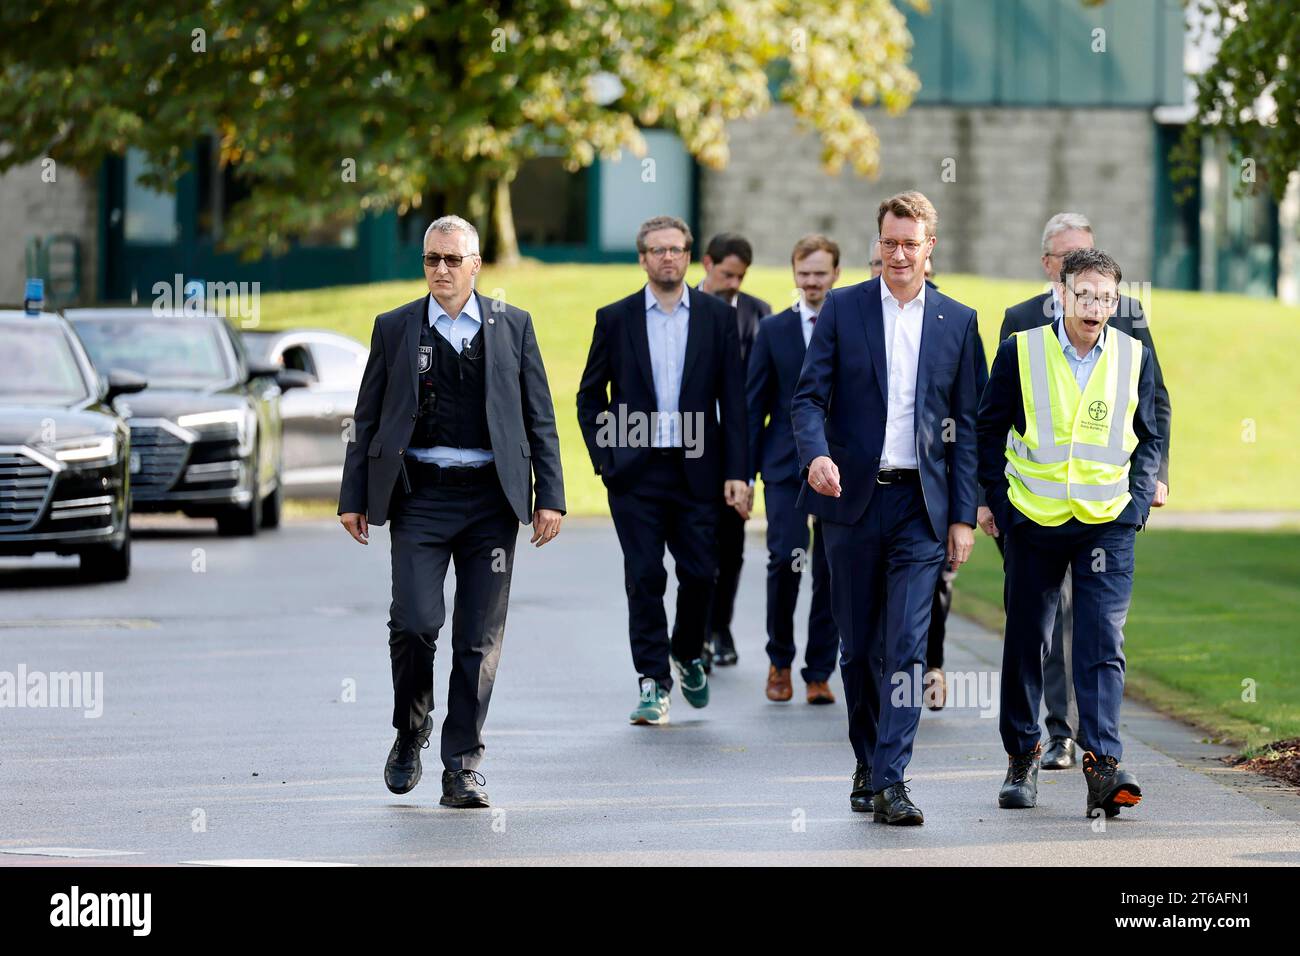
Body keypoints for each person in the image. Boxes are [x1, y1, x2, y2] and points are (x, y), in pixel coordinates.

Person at [338, 215, 566, 809]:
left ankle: (461, 765)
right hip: (421, 496)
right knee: (414, 622)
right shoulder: (395, 329)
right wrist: (353, 495)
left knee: (478, 639)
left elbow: (539, 416)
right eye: (432, 260)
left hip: (492, 499)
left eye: (452, 260)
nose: (441, 269)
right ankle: (410, 730)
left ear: (476, 265)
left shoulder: (513, 327)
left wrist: (553, 496)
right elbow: (366, 419)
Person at [791, 191, 980, 825]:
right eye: (889, 242)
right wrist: (817, 456)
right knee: (857, 648)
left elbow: (969, 427)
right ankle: (867, 760)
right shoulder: (843, 311)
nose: (898, 254)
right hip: (849, 502)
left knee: (905, 645)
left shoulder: (958, 321)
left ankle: (894, 778)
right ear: (878, 245)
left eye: (910, 243)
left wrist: (962, 514)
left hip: (920, 511)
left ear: (931, 248)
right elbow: (808, 399)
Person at [979, 247, 1160, 818]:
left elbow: (1152, 433)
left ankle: (1103, 766)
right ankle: (1023, 756)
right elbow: (987, 430)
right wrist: (998, 505)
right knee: (1029, 639)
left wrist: (1135, 504)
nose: (1095, 307)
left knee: (1102, 640)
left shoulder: (1133, 355)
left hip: (1107, 522)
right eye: (1084, 295)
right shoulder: (1021, 351)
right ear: (1062, 294)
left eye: (1106, 297)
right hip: (1033, 519)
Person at [576, 215, 749, 726]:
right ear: (642, 258)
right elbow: (590, 398)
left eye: (676, 249)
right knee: (645, 576)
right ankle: (653, 681)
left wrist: (738, 471)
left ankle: (688, 649)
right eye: (657, 250)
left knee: (702, 573)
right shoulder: (616, 318)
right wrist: (607, 459)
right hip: (636, 473)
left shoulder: (718, 318)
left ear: (690, 256)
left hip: (699, 470)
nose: (667, 257)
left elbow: (733, 403)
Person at [747, 235, 840, 706]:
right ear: (793, 275)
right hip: (784, 466)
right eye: (804, 274)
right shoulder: (774, 329)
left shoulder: (851, 321)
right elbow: (753, 405)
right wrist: (742, 474)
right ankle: (779, 661)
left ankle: (819, 671)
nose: (811, 282)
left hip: (839, 468)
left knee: (830, 569)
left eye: (820, 273)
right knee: (785, 559)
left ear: (836, 275)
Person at [696, 233, 772, 669]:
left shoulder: (758, 314)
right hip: (690, 447)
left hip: (736, 448)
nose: (732, 284)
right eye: (726, 274)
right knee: (696, 546)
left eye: (740, 277)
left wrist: (747, 471)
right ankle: (698, 631)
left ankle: (719, 626)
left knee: (732, 546)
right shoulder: (684, 309)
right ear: (707, 263)